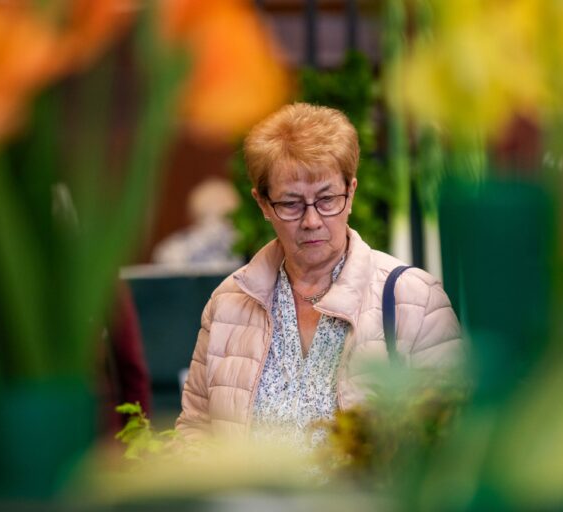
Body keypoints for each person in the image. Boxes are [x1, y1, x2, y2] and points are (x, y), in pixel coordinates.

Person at [176, 103, 462, 445]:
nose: (312, 221)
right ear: (263, 204)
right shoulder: (228, 304)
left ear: (351, 192)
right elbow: (195, 431)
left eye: (327, 199)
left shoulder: (414, 299)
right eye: (291, 204)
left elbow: (452, 437)